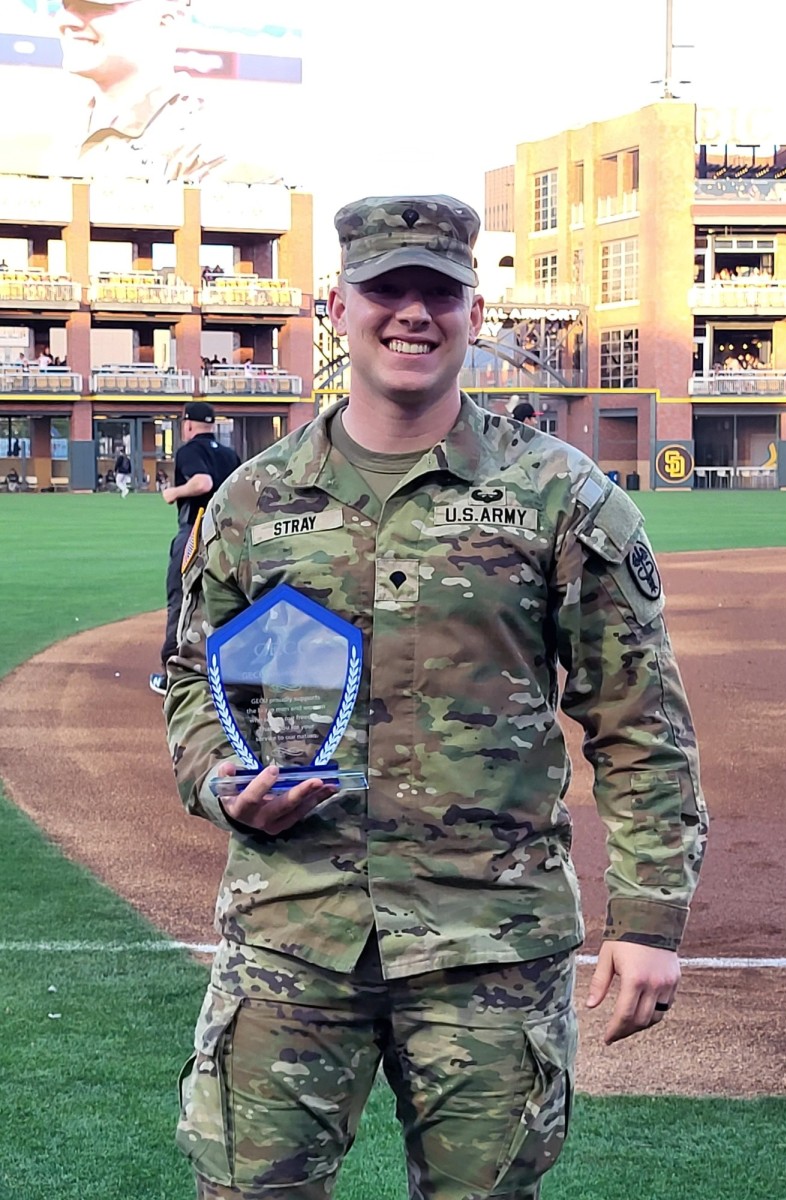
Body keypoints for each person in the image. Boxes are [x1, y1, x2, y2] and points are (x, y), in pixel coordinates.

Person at [164, 194, 708, 1200]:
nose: (411, 314)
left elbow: (640, 721)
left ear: (473, 313)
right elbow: (197, 675)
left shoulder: (561, 494)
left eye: (438, 293)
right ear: (339, 305)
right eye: (385, 290)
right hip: (292, 929)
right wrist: (218, 778)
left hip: (488, 945)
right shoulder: (255, 498)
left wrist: (650, 919)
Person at [55, 0, 227, 183]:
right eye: (66, 5)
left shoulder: (202, 146)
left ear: (169, 18)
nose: (67, 20)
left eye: (96, 7)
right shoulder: (59, 123)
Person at [149, 401, 239, 695]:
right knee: (229, 601)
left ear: (187, 425)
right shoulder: (230, 455)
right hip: (231, 535)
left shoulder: (189, 451)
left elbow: (202, 482)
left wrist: (173, 492)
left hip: (195, 534)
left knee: (182, 598)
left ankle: (173, 675)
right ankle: (231, 674)